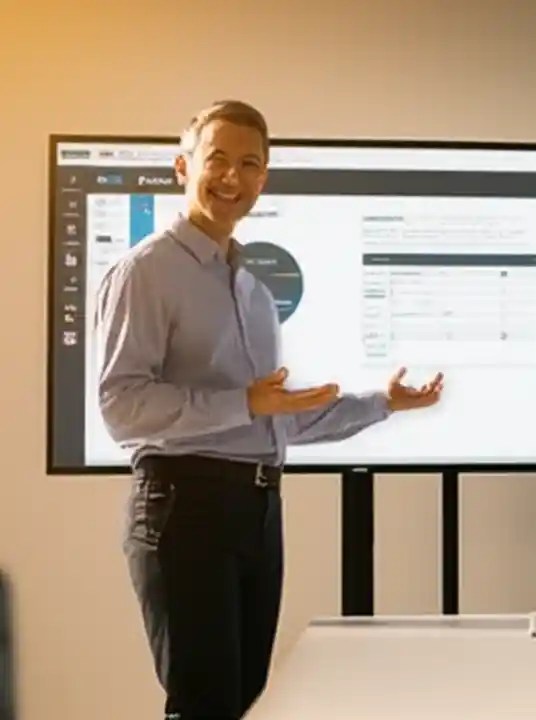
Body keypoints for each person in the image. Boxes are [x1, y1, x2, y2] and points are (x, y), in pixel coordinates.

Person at [96, 100, 446, 720]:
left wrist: (383, 405)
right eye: (218, 160)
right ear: (183, 167)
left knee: (243, 700)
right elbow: (122, 407)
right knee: (204, 704)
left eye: (249, 164)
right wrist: (245, 401)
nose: (232, 177)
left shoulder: (252, 289)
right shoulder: (146, 272)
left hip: (257, 510)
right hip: (185, 506)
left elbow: (271, 418)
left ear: (264, 179)